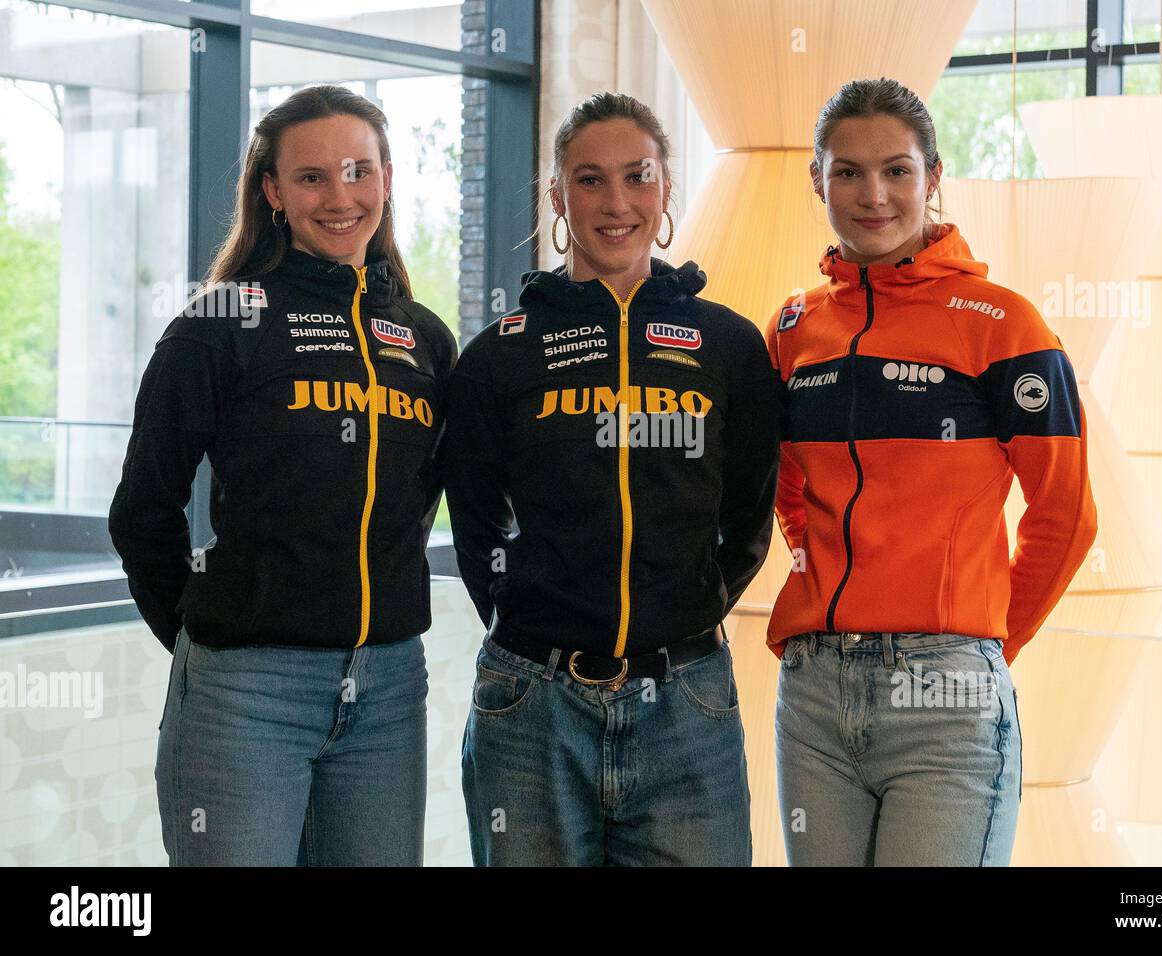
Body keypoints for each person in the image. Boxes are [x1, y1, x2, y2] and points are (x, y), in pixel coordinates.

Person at [108, 84, 457, 866]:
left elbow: (438, 499)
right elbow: (143, 512)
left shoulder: (423, 337)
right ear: (272, 191)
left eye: (358, 171)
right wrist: (212, 644)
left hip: (390, 688)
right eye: (311, 177)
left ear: (387, 178)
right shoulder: (222, 324)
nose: (341, 197)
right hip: (247, 694)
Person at [765, 77, 1098, 867]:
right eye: (847, 172)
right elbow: (784, 482)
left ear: (934, 177)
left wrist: (977, 646)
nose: (872, 194)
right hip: (813, 693)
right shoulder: (792, 327)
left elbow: (1066, 518)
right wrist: (816, 559)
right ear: (818, 180)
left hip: (947, 695)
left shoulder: (1004, 325)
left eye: (897, 170)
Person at [442, 91, 782, 866]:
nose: (617, 202)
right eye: (590, 180)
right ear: (558, 196)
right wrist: (526, 613)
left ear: (666, 188)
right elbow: (474, 521)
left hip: (687, 701)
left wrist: (685, 608)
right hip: (532, 704)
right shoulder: (503, 353)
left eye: (638, 176)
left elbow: (749, 513)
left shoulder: (727, 344)